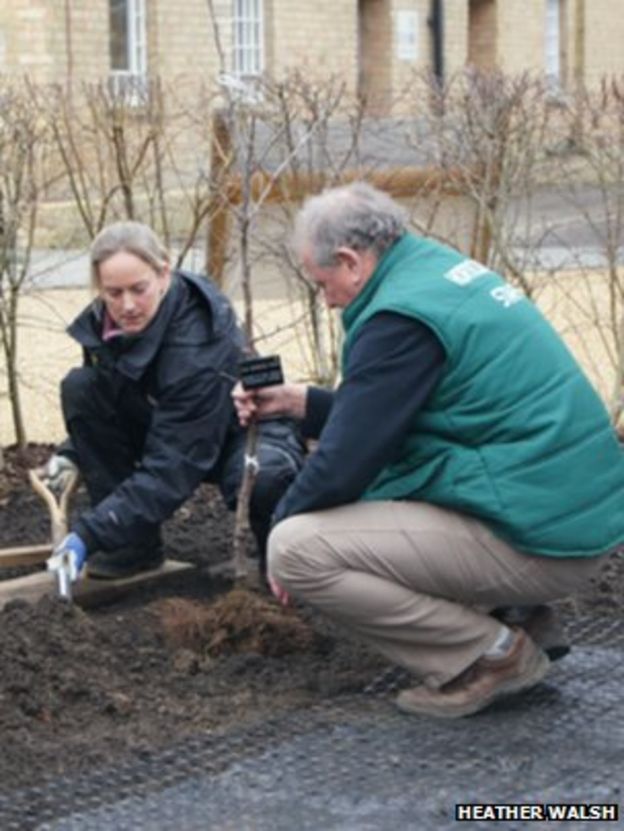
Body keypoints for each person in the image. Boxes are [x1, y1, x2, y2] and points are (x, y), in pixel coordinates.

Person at [233, 182, 624, 719]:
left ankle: (489, 656)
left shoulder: (395, 320)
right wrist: (300, 402)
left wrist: (279, 521)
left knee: (298, 549)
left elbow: (346, 464)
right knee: (379, 500)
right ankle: (517, 614)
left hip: (543, 538)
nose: (325, 298)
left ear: (350, 261)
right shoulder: (433, 273)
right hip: (566, 507)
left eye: (321, 282)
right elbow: (404, 408)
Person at [44, 221, 304, 580]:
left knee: (263, 475)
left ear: (164, 273)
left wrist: (89, 534)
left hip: (240, 429)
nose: (127, 305)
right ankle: (132, 547)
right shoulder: (105, 322)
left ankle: (280, 565)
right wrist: (73, 450)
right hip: (174, 422)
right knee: (82, 387)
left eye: (139, 289)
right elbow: (118, 391)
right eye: (114, 293)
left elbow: (173, 466)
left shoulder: (196, 346)